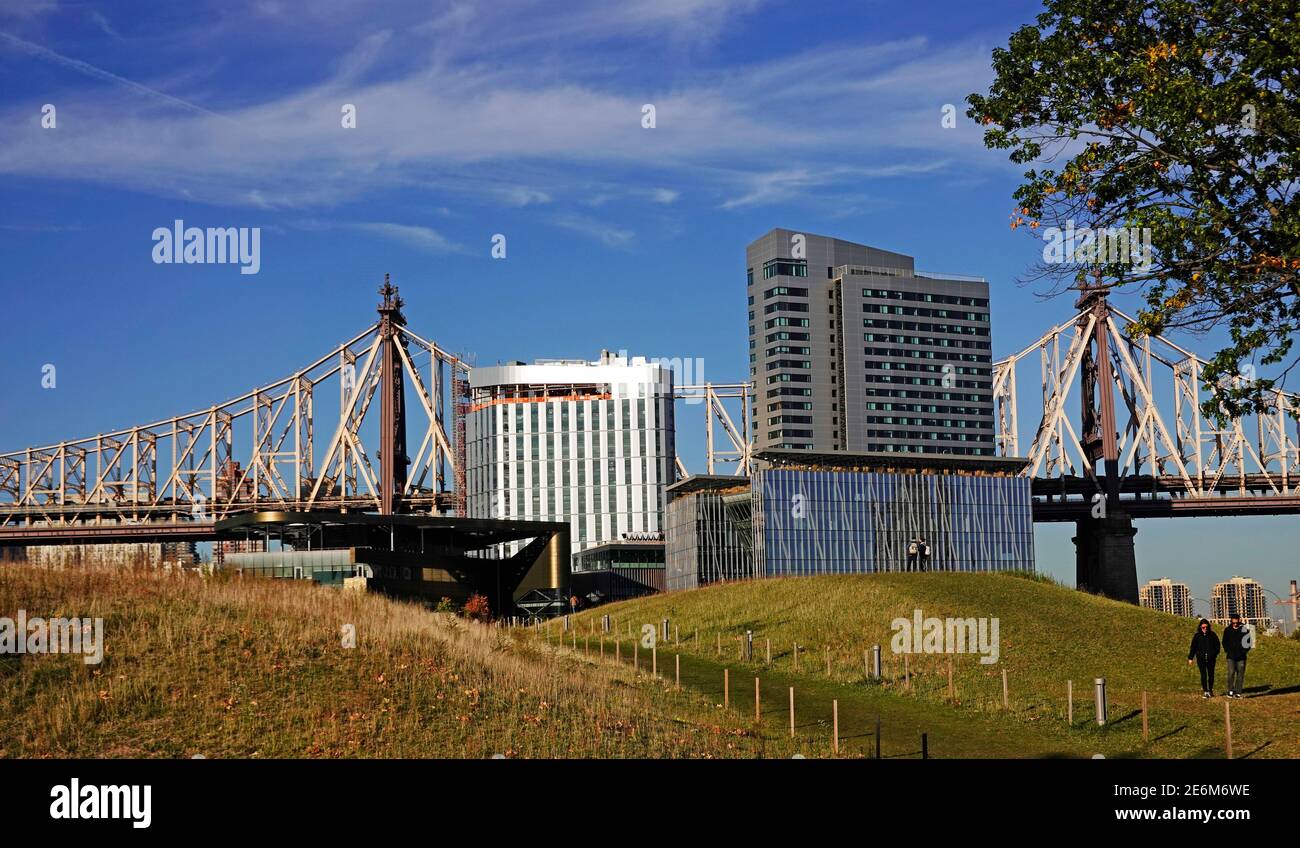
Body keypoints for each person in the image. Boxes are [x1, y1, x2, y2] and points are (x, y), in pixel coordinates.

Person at [1187, 618, 1220, 698]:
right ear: (1200, 627)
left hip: (1211, 658)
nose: (1205, 629)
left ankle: (1210, 690)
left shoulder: (1213, 635)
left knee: (1211, 674)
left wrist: (1214, 654)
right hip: (1200, 658)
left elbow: (1217, 646)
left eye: (1206, 627)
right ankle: (1205, 691)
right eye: (1203, 627)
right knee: (1203, 675)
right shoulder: (1197, 636)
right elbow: (1193, 647)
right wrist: (1190, 658)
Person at [1222, 614, 1250, 698]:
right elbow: (1224, 642)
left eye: (1236, 622)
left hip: (1241, 656)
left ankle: (1238, 692)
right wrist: (1227, 650)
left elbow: (1248, 643)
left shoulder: (1244, 630)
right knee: (1231, 673)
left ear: (1239, 621)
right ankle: (1230, 690)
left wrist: (1243, 652)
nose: (1235, 624)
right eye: (1233, 622)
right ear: (1231, 621)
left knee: (1240, 674)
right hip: (1231, 656)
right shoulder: (1227, 630)